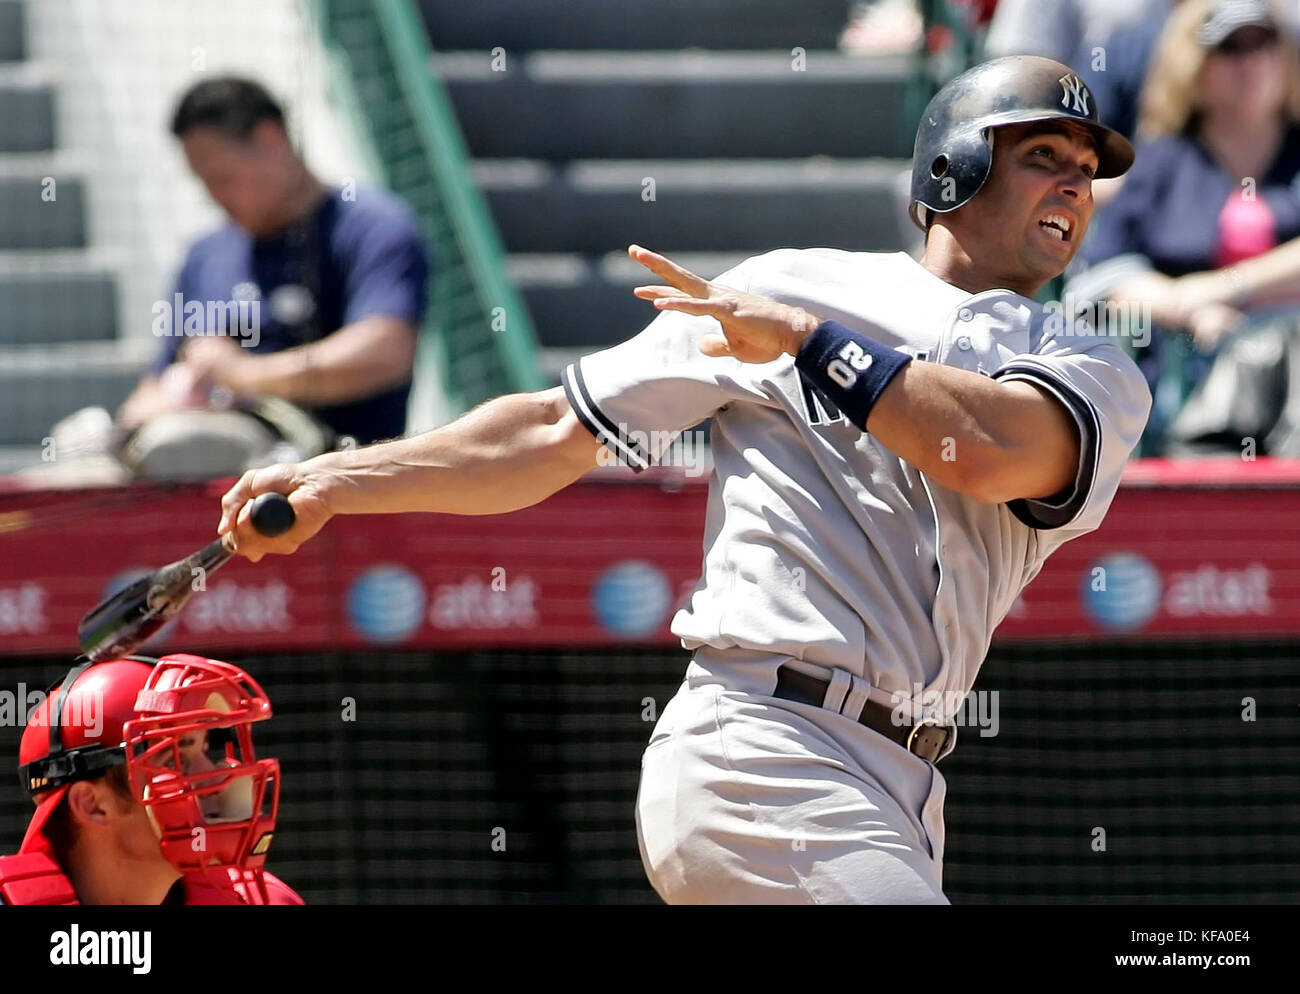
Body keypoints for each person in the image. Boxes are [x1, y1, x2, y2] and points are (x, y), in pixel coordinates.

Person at [212, 56, 1150, 904]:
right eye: (1042, 153)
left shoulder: (1093, 369)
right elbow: (551, 430)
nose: (1074, 180)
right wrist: (337, 477)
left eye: (1086, 167)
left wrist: (810, 347)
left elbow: (985, 453)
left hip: (900, 782)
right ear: (951, 171)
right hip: (765, 749)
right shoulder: (800, 283)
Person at [117, 76, 428, 451]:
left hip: (335, 476)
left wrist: (244, 375)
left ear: (270, 138)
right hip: (202, 480)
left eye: (223, 178)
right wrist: (137, 419)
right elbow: (156, 383)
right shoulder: (205, 255)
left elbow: (384, 353)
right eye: (205, 183)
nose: (214, 196)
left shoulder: (372, 228)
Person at [1067, 0, 1300, 450]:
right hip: (1187, 393)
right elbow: (1103, 276)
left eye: (1263, 44)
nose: (1250, 63)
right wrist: (1182, 305)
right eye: (1229, 48)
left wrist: (1224, 288)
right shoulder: (1161, 161)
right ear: (1192, 65)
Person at [0, 654, 303, 905]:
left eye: (205, 750)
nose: (220, 777)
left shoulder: (261, 900)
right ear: (93, 805)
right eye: (176, 759)